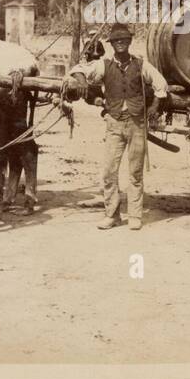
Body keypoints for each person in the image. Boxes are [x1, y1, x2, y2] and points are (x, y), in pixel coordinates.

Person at [63, 24, 171, 231]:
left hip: (137, 123)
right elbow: (77, 69)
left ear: (130, 42)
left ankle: (135, 215)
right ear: (111, 44)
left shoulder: (141, 65)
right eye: (116, 40)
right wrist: (82, 80)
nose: (121, 43)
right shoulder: (104, 65)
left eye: (124, 40)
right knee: (108, 172)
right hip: (114, 123)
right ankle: (112, 215)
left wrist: (154, 106)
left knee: (135, 172)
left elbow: (160, 83)